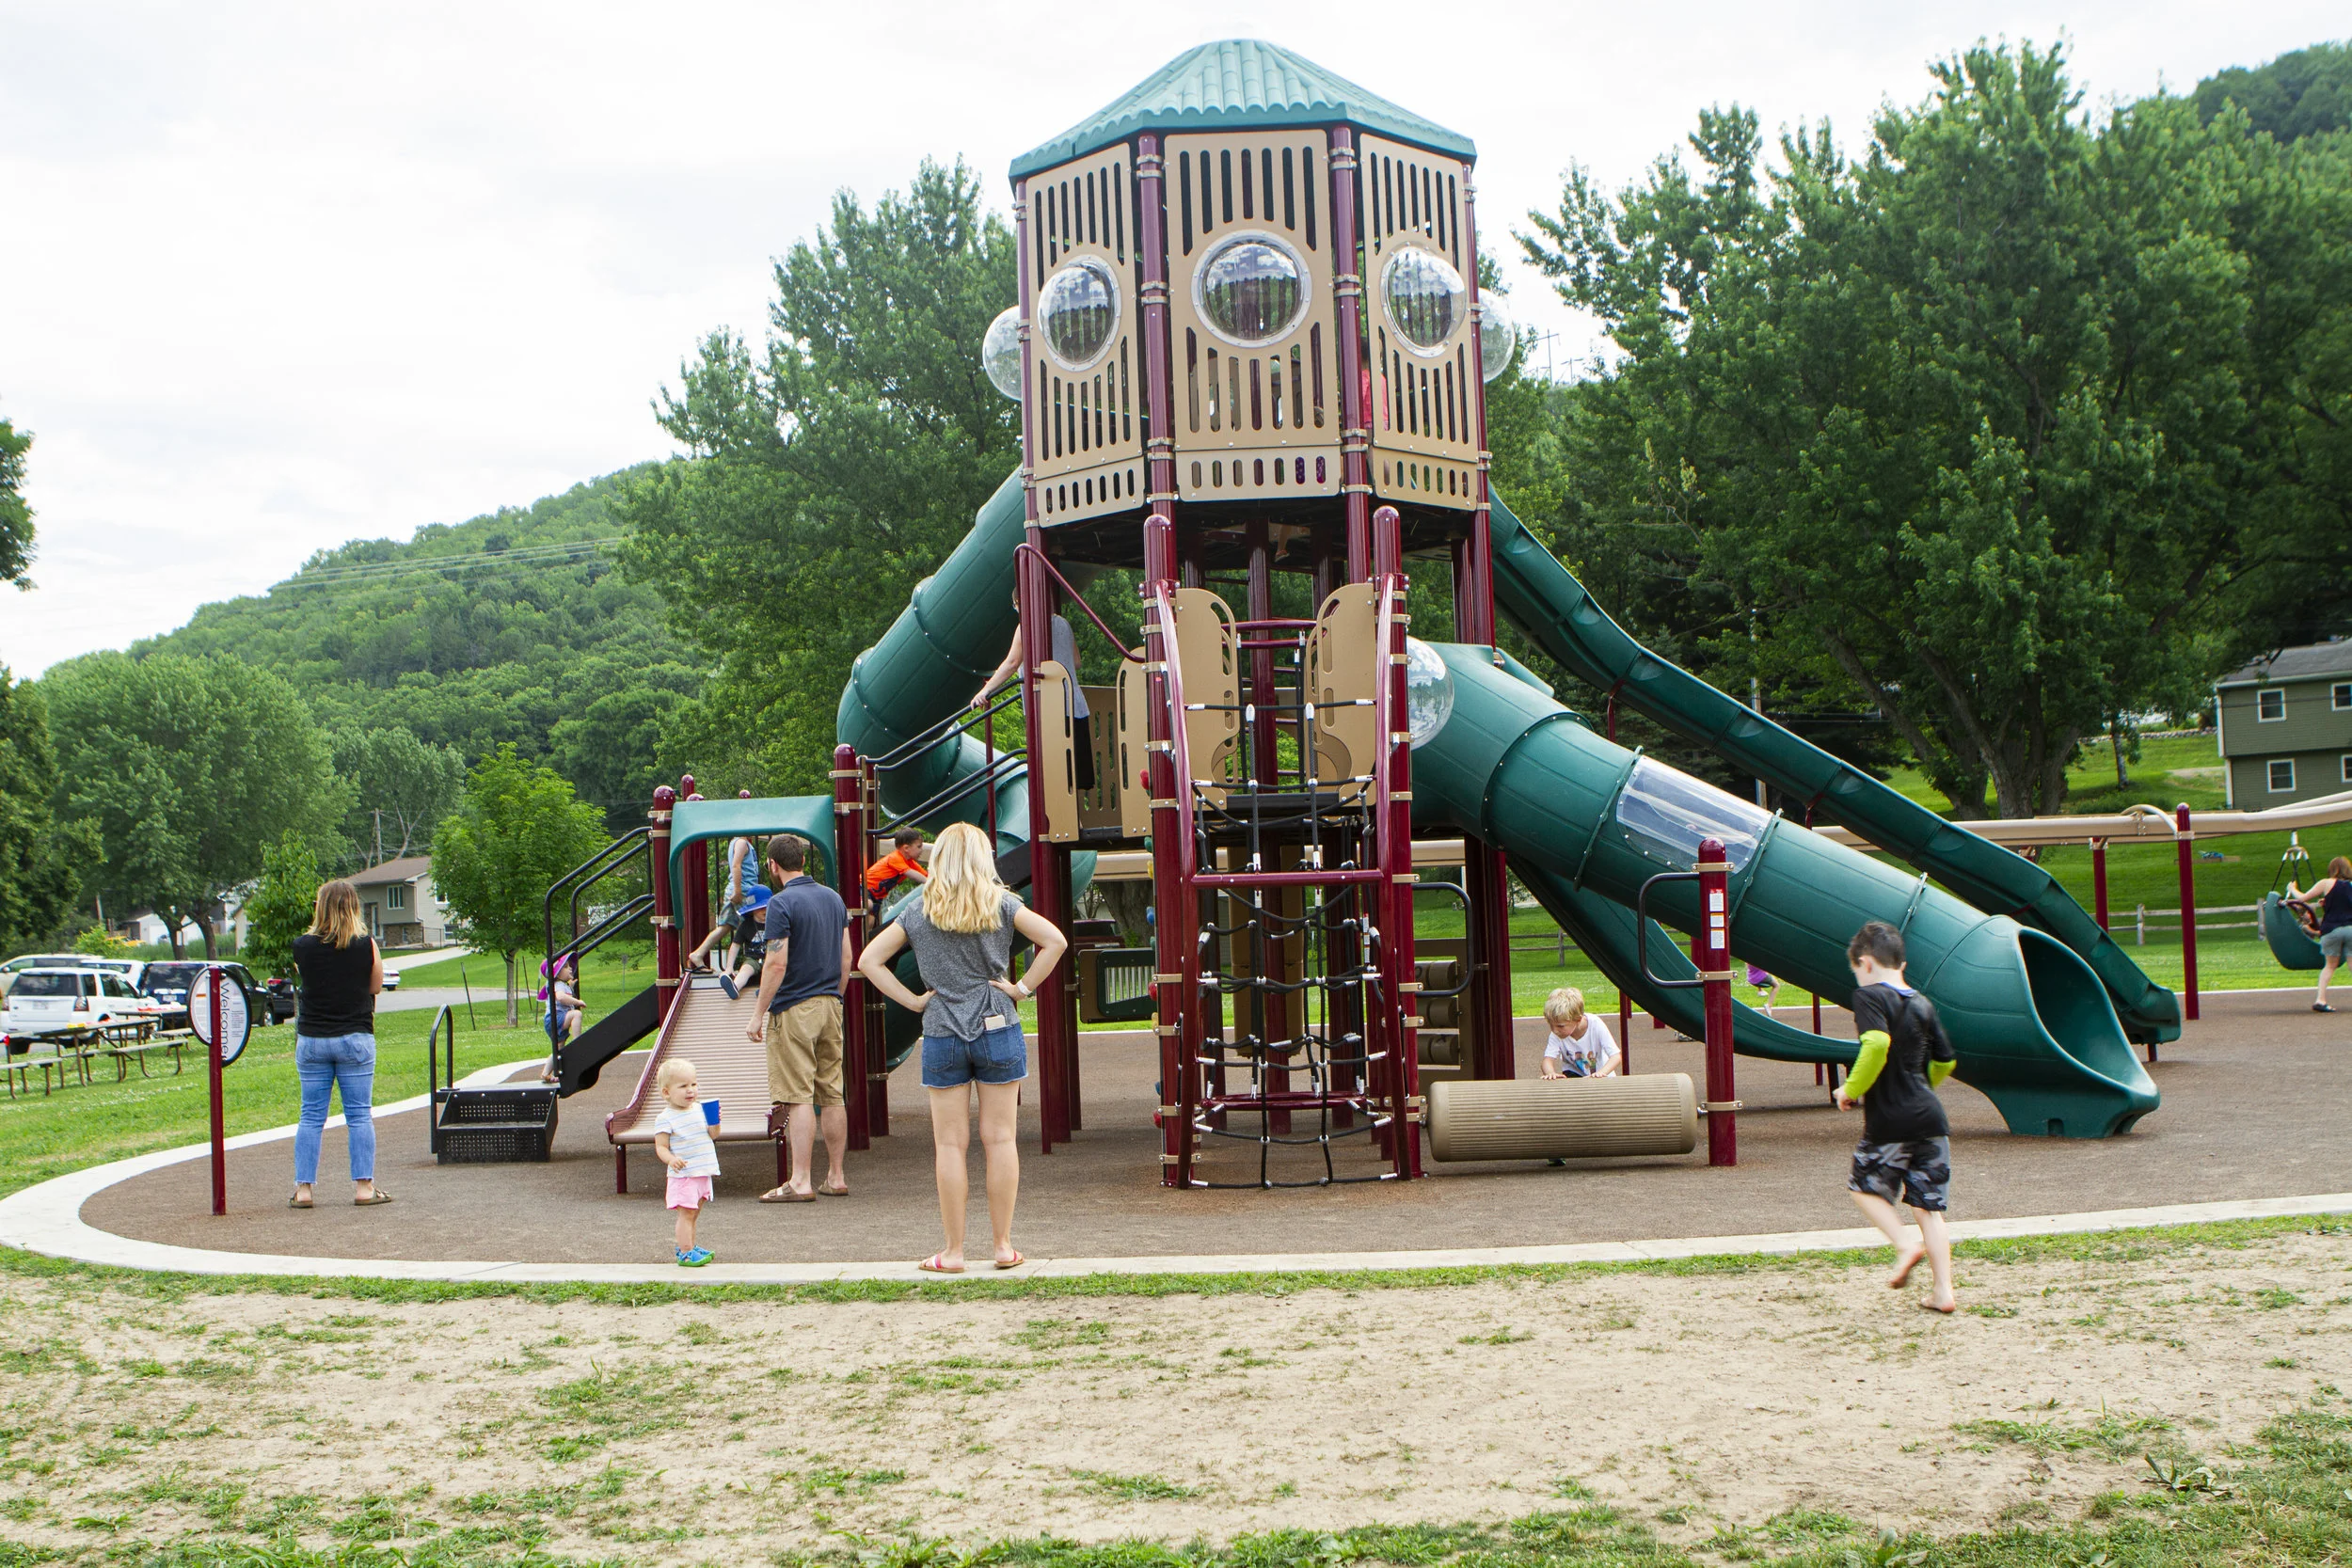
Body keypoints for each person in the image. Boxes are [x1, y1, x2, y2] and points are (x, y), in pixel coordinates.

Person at [856, 821, 1069, 1274]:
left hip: (941, 1030)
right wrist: (1022, 988)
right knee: (1001, 1139)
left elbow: (868, 960)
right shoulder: (1003, 903)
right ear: (982, 858)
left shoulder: (918, 912)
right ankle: (1003, 1247)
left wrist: (914, 1000)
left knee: (950, 1145)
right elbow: (1055, 941)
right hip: (998, 1024)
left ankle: (952, 1252)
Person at [1835, 920, 1959, 1313]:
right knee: (1929, 1208)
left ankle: (1905, 1245)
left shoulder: (1869, 996)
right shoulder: (1922, 1002)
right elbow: (1946, 1060)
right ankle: (1943, 1293)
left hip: (1891, 1120)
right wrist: (1921, 1089)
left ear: (1866, 964)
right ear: (1901, 964)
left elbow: (1875, 1044)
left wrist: (1850, 1090)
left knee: (1863, 1188)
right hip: (1931, 1118)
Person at [745, 833, 852, 1202]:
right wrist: (835, 997)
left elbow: (776, 961)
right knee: (832, 1092)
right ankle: (836, 1176)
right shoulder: (834, 899)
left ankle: (801, 1181)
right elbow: (846, 959)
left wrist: (758, 1013)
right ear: (803, 862)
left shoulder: (781, 903)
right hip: (829, 1005)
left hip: (793, 1007)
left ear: (773, 866)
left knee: (798, 1095)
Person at [289, 880, 388, 1210]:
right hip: (355, 1036)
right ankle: (363, 1186)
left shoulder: (301, 946)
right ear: (353, 906)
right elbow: (375, 986)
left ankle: (304, 1189)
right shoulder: (366, 945)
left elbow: (308, 980)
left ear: (321, 907)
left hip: (313, 1038)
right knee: (358, 1115)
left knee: (311, 1115)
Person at [974, 590, 1095, 792]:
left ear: (1020, 602)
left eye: (1015, 606)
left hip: (1049, 708)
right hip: (1076, 704)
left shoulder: (1026, 627)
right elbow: (1077, 661)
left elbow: (1012, 663)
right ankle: (1076, 822)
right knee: (1072, 774)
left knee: (1052, 773)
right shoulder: (1063, 623)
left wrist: (985, 690)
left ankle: (1060, 822)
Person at [653, 1057, 719, 1267]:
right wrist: (672, 1160)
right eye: (683, 1086)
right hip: (684, 1175)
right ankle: (685, 1252)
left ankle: (690, 1244)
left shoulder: (699, 1109)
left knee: (694, 1213)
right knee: (686, 1214)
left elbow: (713, 1135)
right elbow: (661, 1147)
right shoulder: (666, 1118)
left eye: (694, 1084)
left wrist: (715, 1121)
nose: (690, 1090)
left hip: (702, 1171)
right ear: (666, 1092)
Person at [2286, 855, 2352, 1013]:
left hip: (2331, 930)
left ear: (2332, 870)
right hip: (2350, 928)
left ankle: (2320, 1000)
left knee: (2329, 966)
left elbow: (2302, 899)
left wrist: (2291, 889)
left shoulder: (2326, 883)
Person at [1539, 987, 1619, 1078]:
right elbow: (1547, 1061)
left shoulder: (1595, 1024)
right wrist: (1550, 1073)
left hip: (1602, 1073)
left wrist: (1601, 1073)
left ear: (1578, 1019)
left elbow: (1615, 1056)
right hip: (1574, 1074)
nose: (1554, 1030)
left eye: (1560, 1026)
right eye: (1551, 1025)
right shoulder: (1557, 1033)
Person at [536, 954, 585, 1085]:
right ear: (557, 973)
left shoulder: (560, 984)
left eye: (570, 966)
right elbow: (561, 998)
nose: (570, 969)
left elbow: (564, 994)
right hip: (555, 1018)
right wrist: (578, 1001)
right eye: (566, 967)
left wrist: (571, 986)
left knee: (558, 1049)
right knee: (576, 1015)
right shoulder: (557, 985)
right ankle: (577, 1043)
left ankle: (546, 1073)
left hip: (554, 1021)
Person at [865, 828, 930, 908]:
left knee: (872, 918)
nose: (921, 850)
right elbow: (912, 874)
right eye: (919, 847)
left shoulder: (910, 862)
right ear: (906, 848)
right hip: (864, 886)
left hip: (877, 895)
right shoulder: (895, 858)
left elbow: (926, 875)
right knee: (868, 904)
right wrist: (928, 882)